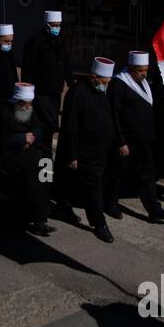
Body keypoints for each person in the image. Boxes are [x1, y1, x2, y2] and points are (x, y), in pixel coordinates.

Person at [109, 51, 164, 224]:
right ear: (131, 69)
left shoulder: (144, 83)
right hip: (127, 142)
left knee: (147, 175)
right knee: (117, 174)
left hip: (144, 141)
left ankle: (154, 210)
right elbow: (114, 115)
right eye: (140, 71)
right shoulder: (119, 85)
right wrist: (120, 141)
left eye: (145, 70)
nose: (144, 74)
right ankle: (110, 203)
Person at [57, 58, 117, 243]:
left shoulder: (102, 92)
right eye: (103, 82)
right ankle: (99, 223)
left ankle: (63, 206)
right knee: (93, 188)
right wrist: (73, 154)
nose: (105, 86)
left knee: (73, 183)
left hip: (100, 151)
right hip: (85, 152)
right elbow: (70, 127)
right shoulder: (78, 93)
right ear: (93, 77)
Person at [0, 82, 53, 238]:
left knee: (47, 168)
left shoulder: (30, 111)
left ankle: (41, 216)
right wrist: (21, 139)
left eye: (29, 104)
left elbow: (38, 127)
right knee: (29, 175)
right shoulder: (3, 113)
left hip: (33, 151)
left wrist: (32, 137)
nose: (27, 107)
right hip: (11, 155)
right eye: (24, 104)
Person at [21, 10, 72, 156]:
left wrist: (70, 81)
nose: (57, 28)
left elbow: (66, 62)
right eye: (54, 25)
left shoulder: (62, 40)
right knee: (44, 123)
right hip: (40, 91)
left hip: (55, 90)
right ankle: (42, 153)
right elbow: (28, 67)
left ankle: (46, 151)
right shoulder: (35, 41)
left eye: (59, 25)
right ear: (47, 25)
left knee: (51, 123)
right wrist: (27, 90)